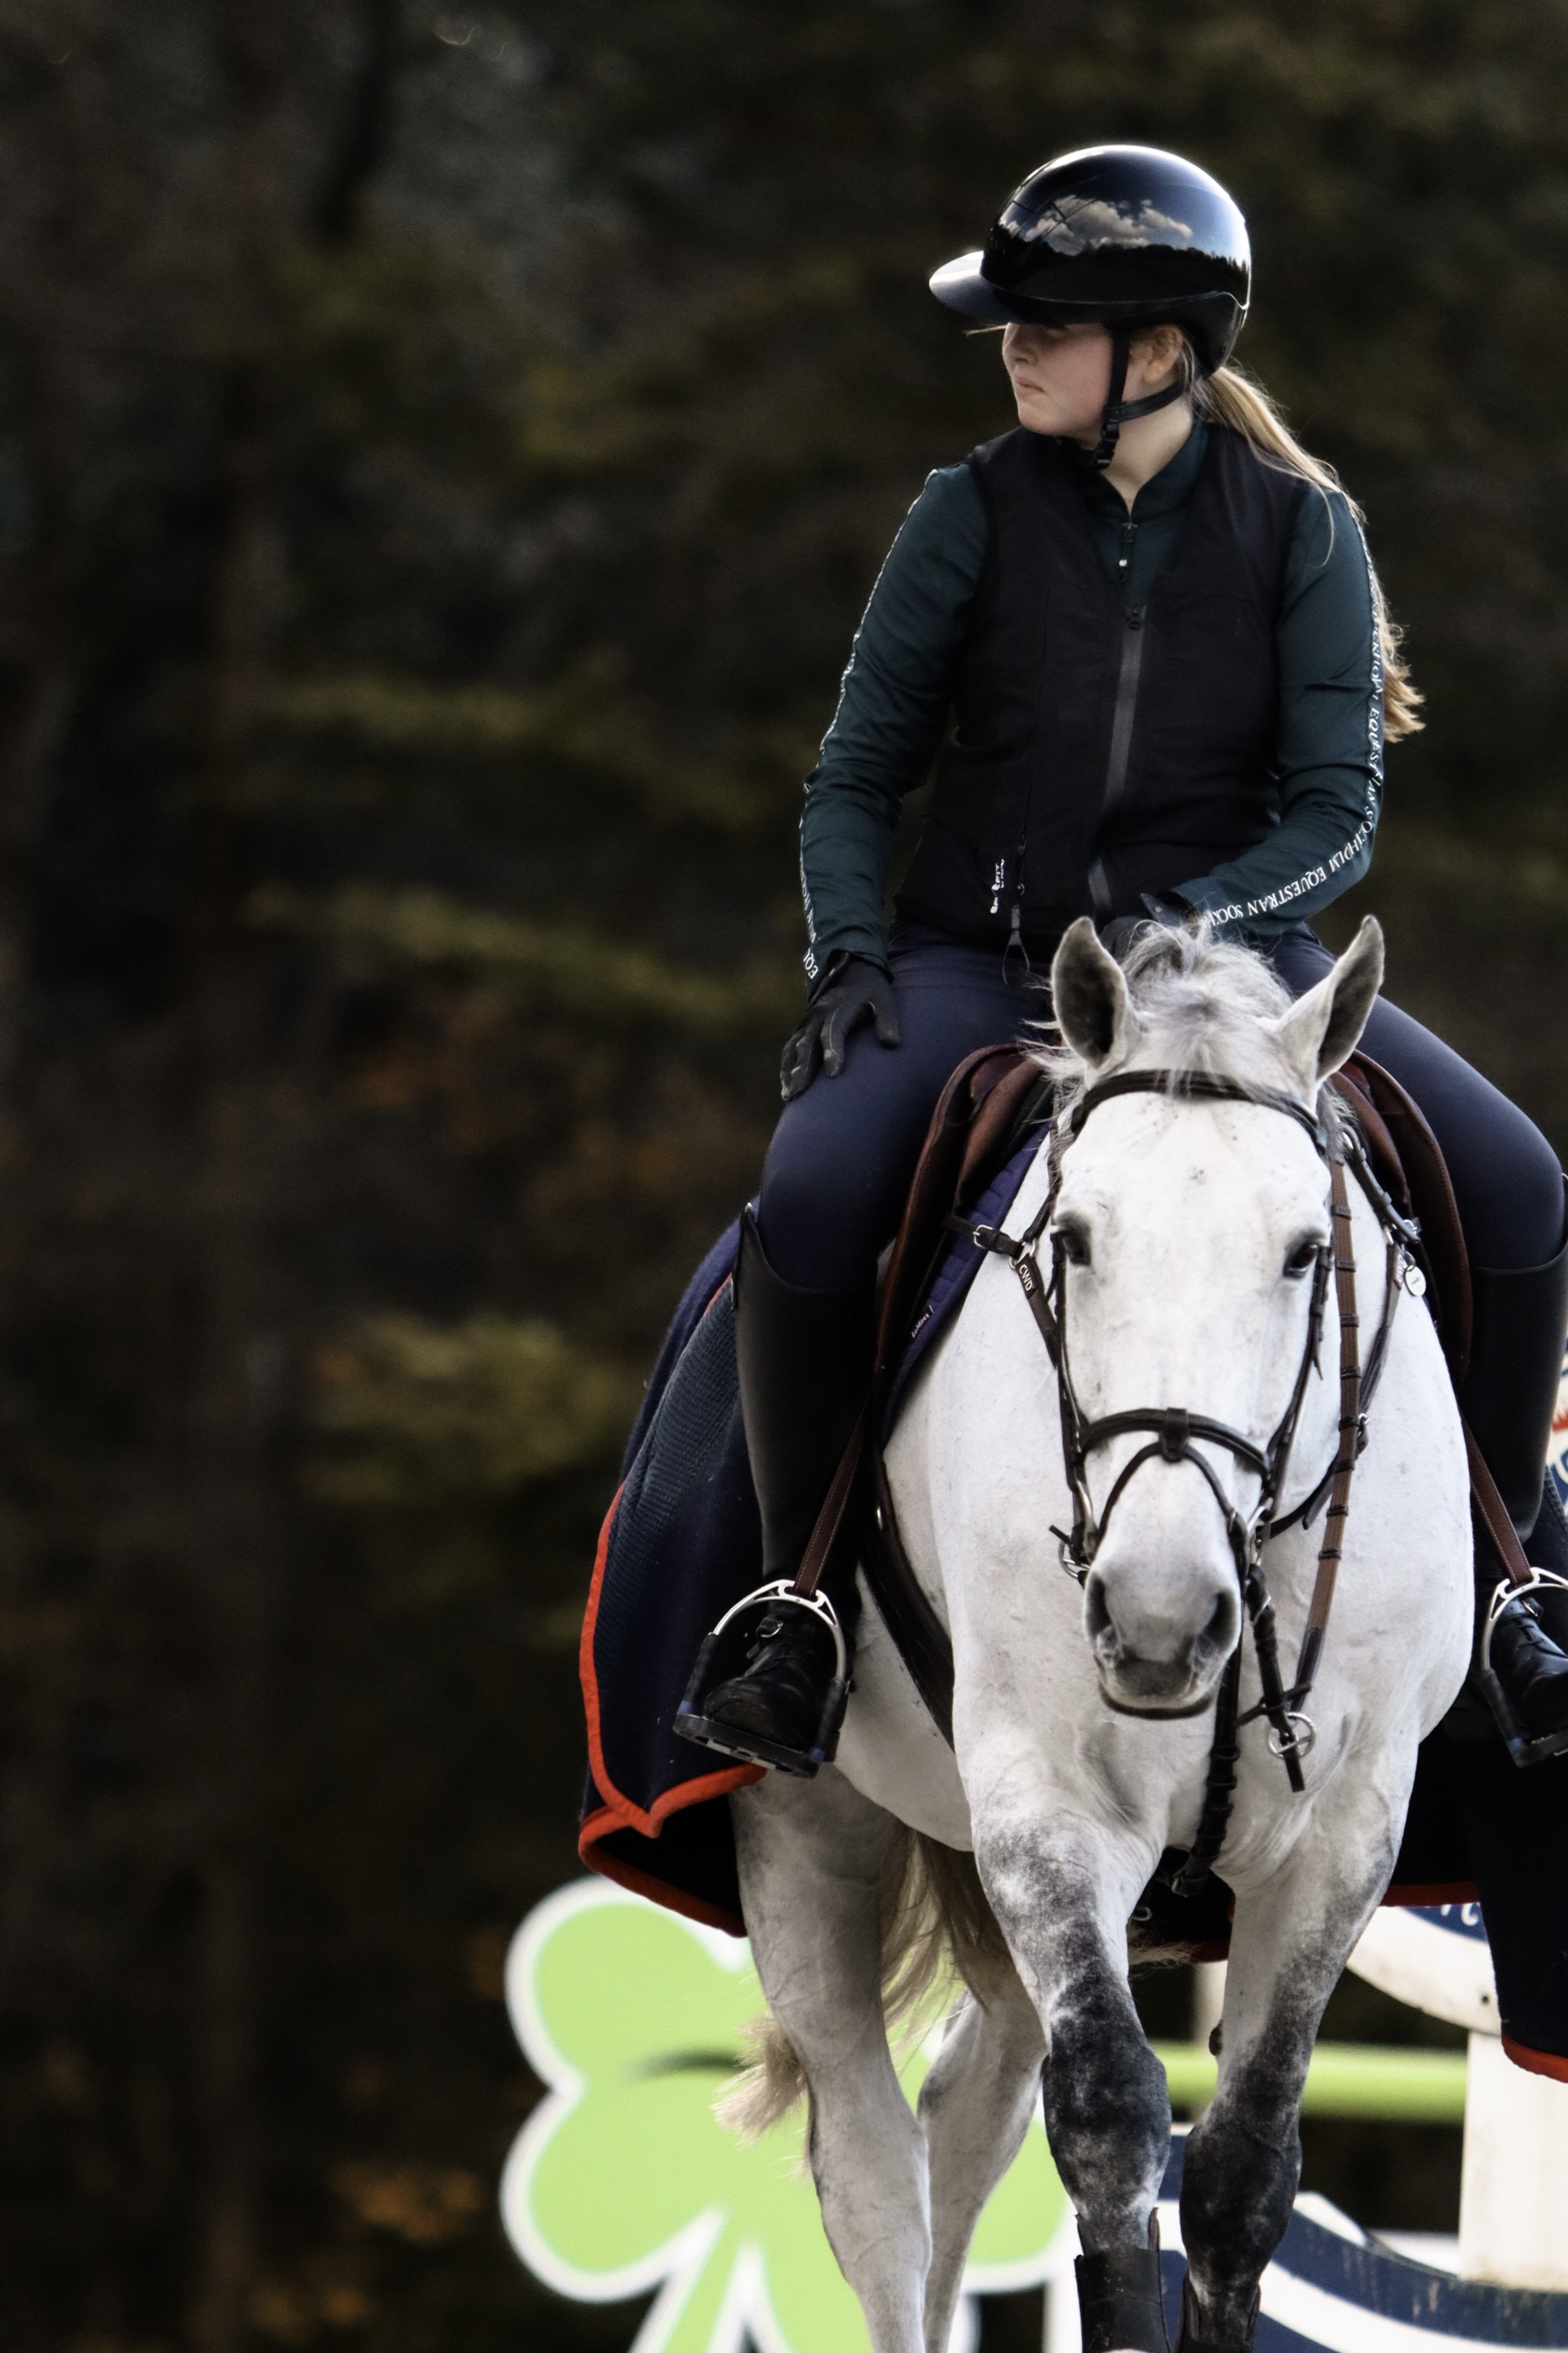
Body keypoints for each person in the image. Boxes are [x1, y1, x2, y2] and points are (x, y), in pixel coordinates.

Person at [675, 144, 1568, 1777]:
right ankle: (794, 1607)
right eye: (1010, 326)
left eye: (1045, 326)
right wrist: (850, 953)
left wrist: (1182, 941)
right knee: (809, 1197)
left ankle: (1517, 1595)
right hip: (978, 964)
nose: (1011, 345)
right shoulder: (965, 512)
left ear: (1159, 352)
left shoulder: (1305, 530)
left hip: (1240, 977)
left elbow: (1333, 811)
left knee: (1519, 1188)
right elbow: (857, 774)